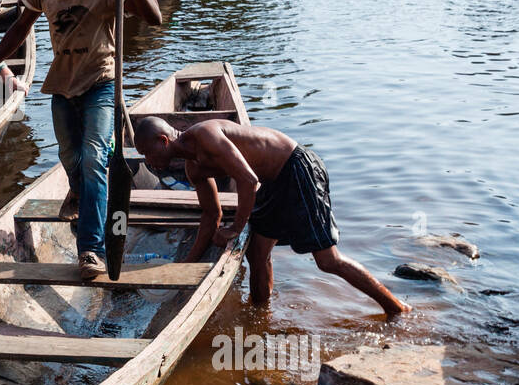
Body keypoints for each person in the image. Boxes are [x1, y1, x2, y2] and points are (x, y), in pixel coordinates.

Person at [0, 0, 161, 280]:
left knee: (95, 158)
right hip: (63, 86)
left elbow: (153, 16)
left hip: (102, 84)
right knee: (69, 156)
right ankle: (78, 191)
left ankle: (90, 249)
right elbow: (21, 28)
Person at [134, 117, 411, 317]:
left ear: (163, 140)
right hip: (272, 183)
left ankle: (396, 308)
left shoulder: (205, 135)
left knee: (327, 261)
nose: (148, 162)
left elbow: (248, 179)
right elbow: (211, 214)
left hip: (296, 168)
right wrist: (186, 265)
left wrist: (236, 227)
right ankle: (260, 318)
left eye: (147, 153)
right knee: (257, 254)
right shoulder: (194, 168)